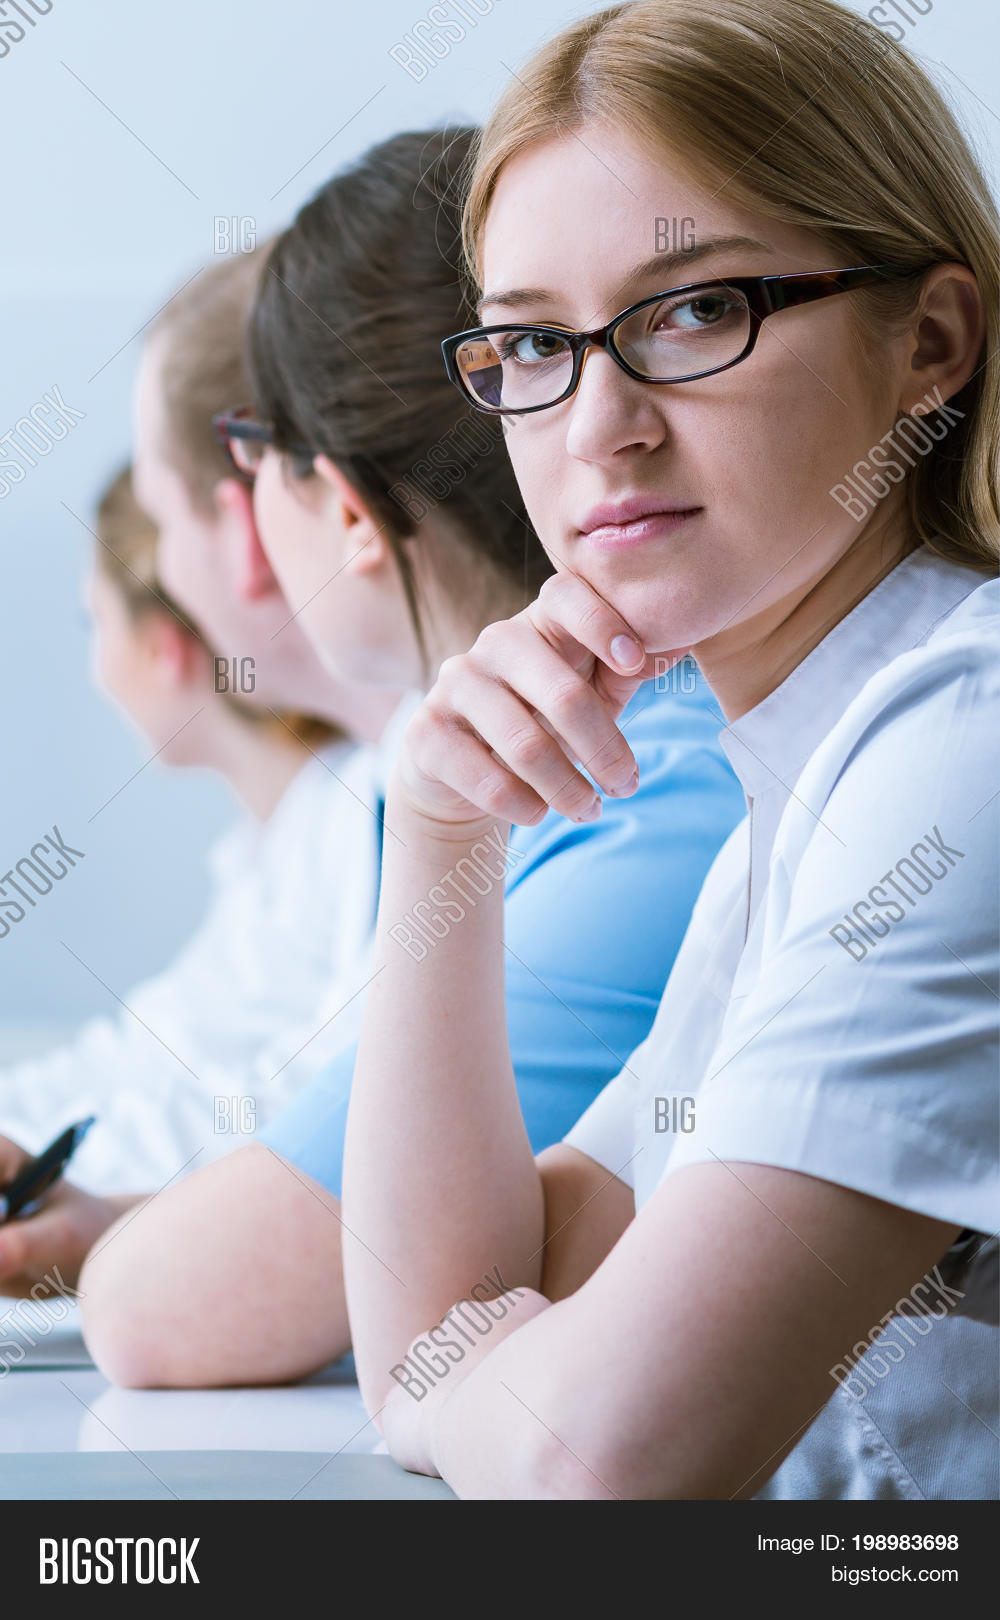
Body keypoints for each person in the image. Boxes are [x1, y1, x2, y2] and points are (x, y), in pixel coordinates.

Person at [338, 0, 999, 1499]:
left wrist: (485, 1393)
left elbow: (608, 1466)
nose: (599, 427)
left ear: (933, 343)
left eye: (695, 310)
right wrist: (441, 828)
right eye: (531, 344)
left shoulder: (964, 739)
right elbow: (430, 1330)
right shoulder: (800, 780)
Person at [77, 127, 745, 1388]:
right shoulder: (537, 776)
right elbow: (452, 1215)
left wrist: (161, 1238)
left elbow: (172, 1313)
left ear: (338, 507)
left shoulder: (652, 788)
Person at [0, 254, 401, 1297]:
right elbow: (172, 1055)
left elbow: (299, 1115)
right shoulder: (329, 818)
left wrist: (92, 1204)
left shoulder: (363, 805)